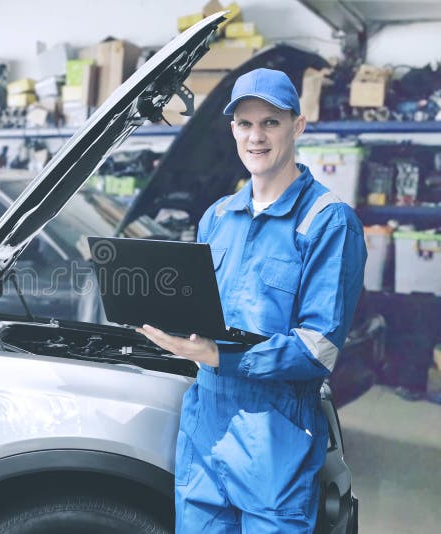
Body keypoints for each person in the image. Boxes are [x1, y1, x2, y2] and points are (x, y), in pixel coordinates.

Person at [137, 68, 367, 532]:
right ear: (232, 131)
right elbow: (204, 313)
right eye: (245, 123)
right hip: (206, 437)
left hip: (274, 446)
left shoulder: (328, 222)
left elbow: (318, 347)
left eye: (270, 122)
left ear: (297, 126)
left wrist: (219, 355)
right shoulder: (217, 218)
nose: (255, 136)